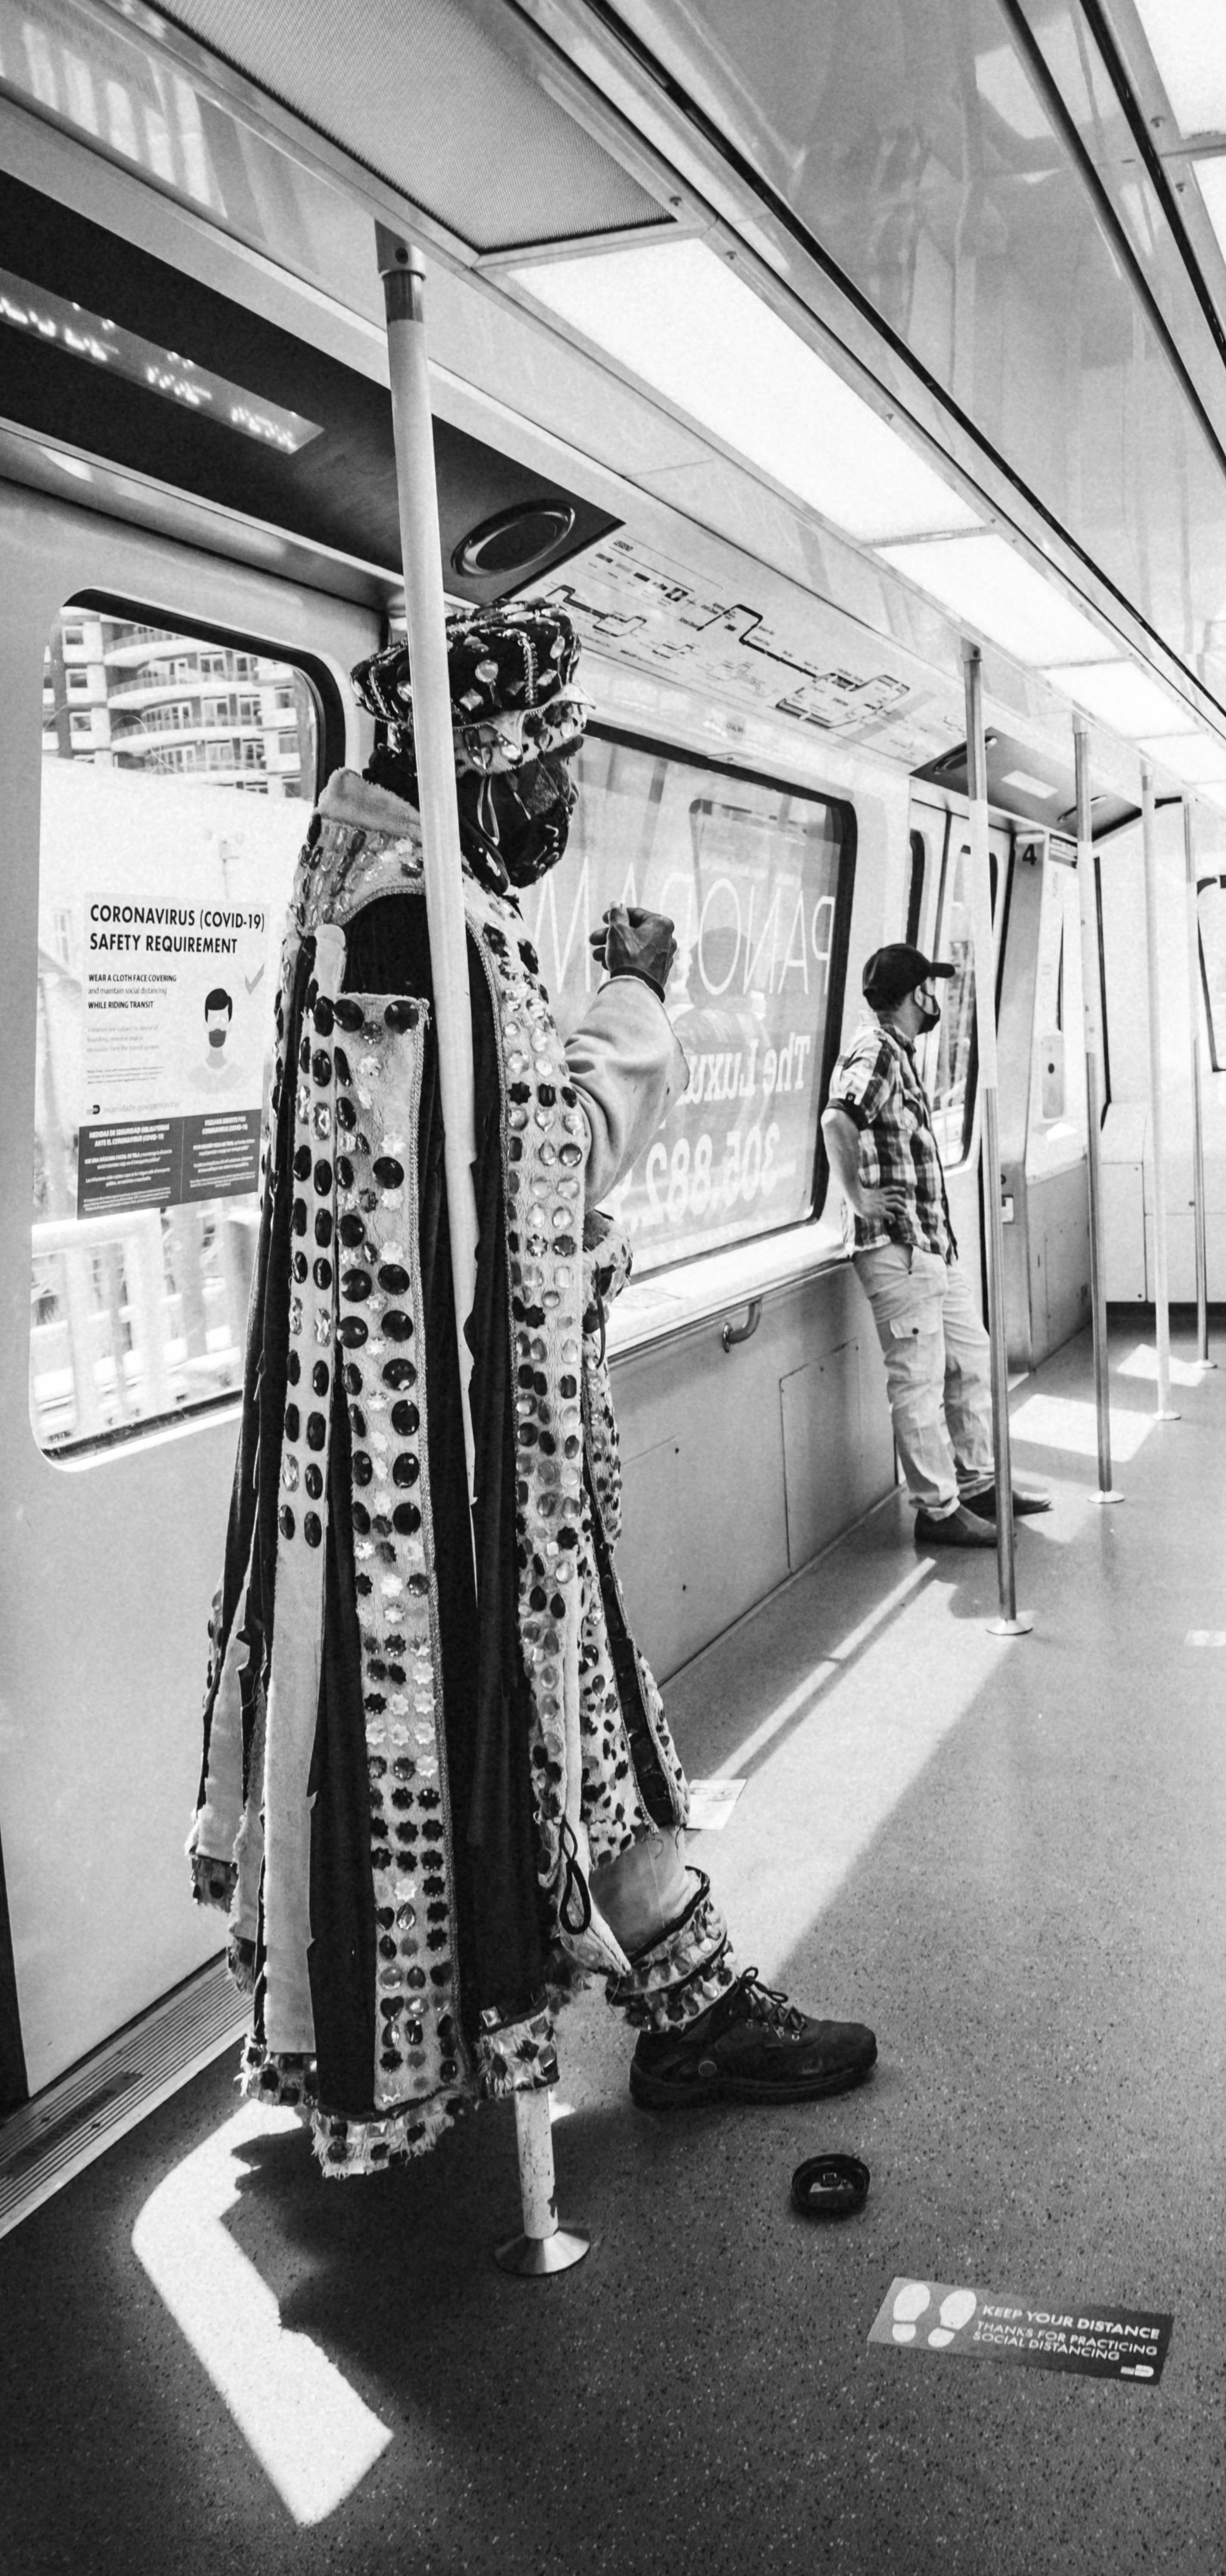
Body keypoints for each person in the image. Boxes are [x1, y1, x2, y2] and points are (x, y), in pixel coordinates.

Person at [187, 601, 875, 2177]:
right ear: (487, 772)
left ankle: (690, 1990)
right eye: (552, 773)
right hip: (454, 1473)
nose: (565, 811)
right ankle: (686, 2010)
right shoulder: (412, 932)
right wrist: (636, 1006)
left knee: (583, 1718)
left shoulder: (377, 906)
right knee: (541, 1716)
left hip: (442, 1445)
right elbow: (530, 1171)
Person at [820, 941, 1048, 1547]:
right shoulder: (877, 1052)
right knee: (917, 1381)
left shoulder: (898, 1053)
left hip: (929, 1246)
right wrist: (858, 1199)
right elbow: (837, 1119)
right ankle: (937, 1508)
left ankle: (978, 1483)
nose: (938, 998)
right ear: (916, 994)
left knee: (972, 1362)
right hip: (897, 1248)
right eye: (932, 987)